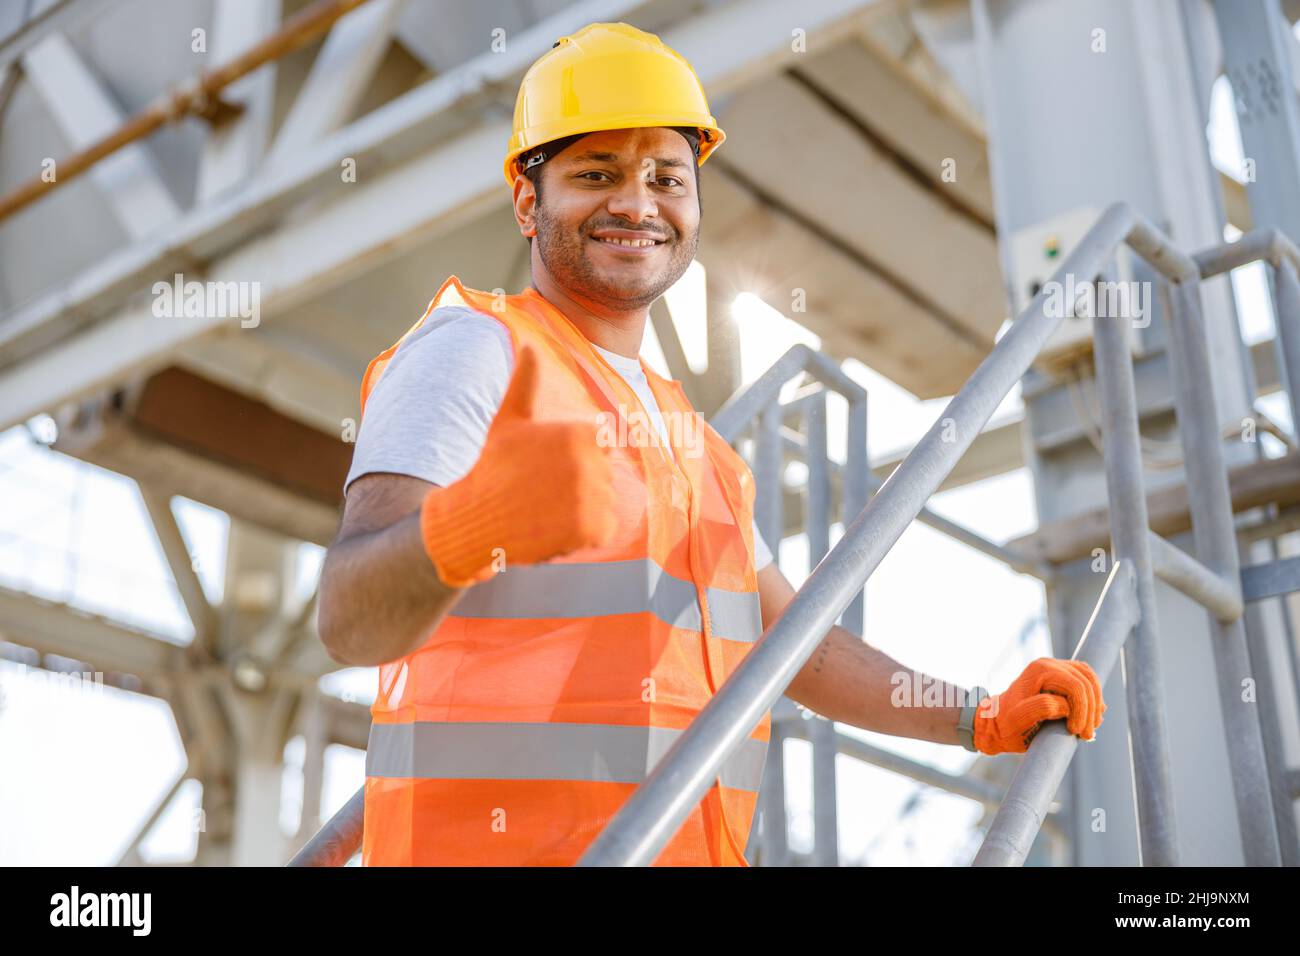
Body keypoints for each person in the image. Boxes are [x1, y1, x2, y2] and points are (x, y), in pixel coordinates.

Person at [317, 21, 1104, 867]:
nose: (636, 202)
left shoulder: (697, 449)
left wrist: (975, 716)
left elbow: (792, 648)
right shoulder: (476, 348)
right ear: (526, 201)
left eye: (667, 177)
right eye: (595, 174)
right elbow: (349, 619)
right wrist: (476, 523)